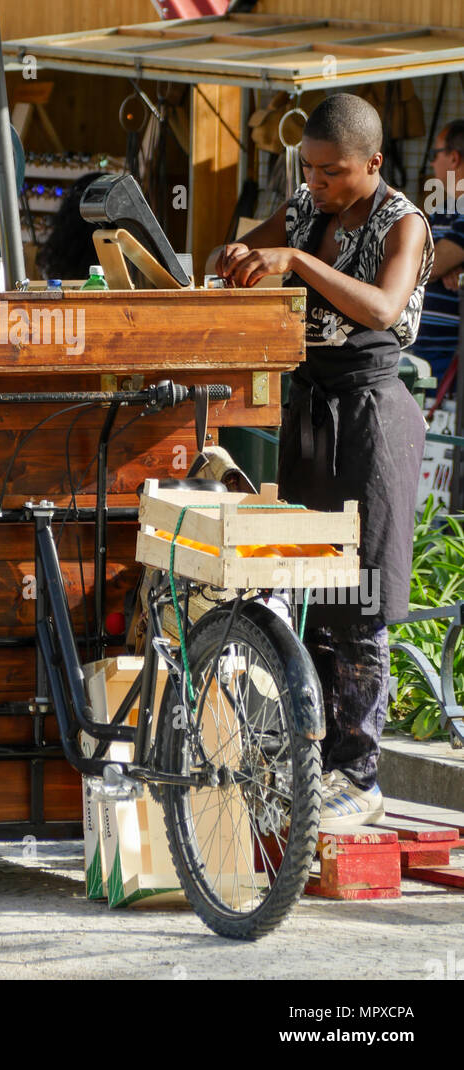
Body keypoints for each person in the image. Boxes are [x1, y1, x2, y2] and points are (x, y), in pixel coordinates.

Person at [211, 93, 433, 832]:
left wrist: (296, 258)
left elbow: (381, 308)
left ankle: (361, 772)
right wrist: (237, 257)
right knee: (311, 585)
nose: (316, 185)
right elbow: (251, 249)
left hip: (372, 414)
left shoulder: (403, 222)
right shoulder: (307, 209)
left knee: (363, 594)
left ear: (373, 163)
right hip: (312, 410)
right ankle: (312, 762)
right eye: (307, 170)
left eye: (332, 172)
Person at [410, 119, 464, 386]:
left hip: (451, 358)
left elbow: (422, 266)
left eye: (435, 154)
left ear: (454, 158)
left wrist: (441, 263)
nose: (431, 163)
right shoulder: (442, 211)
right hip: (425, 353)